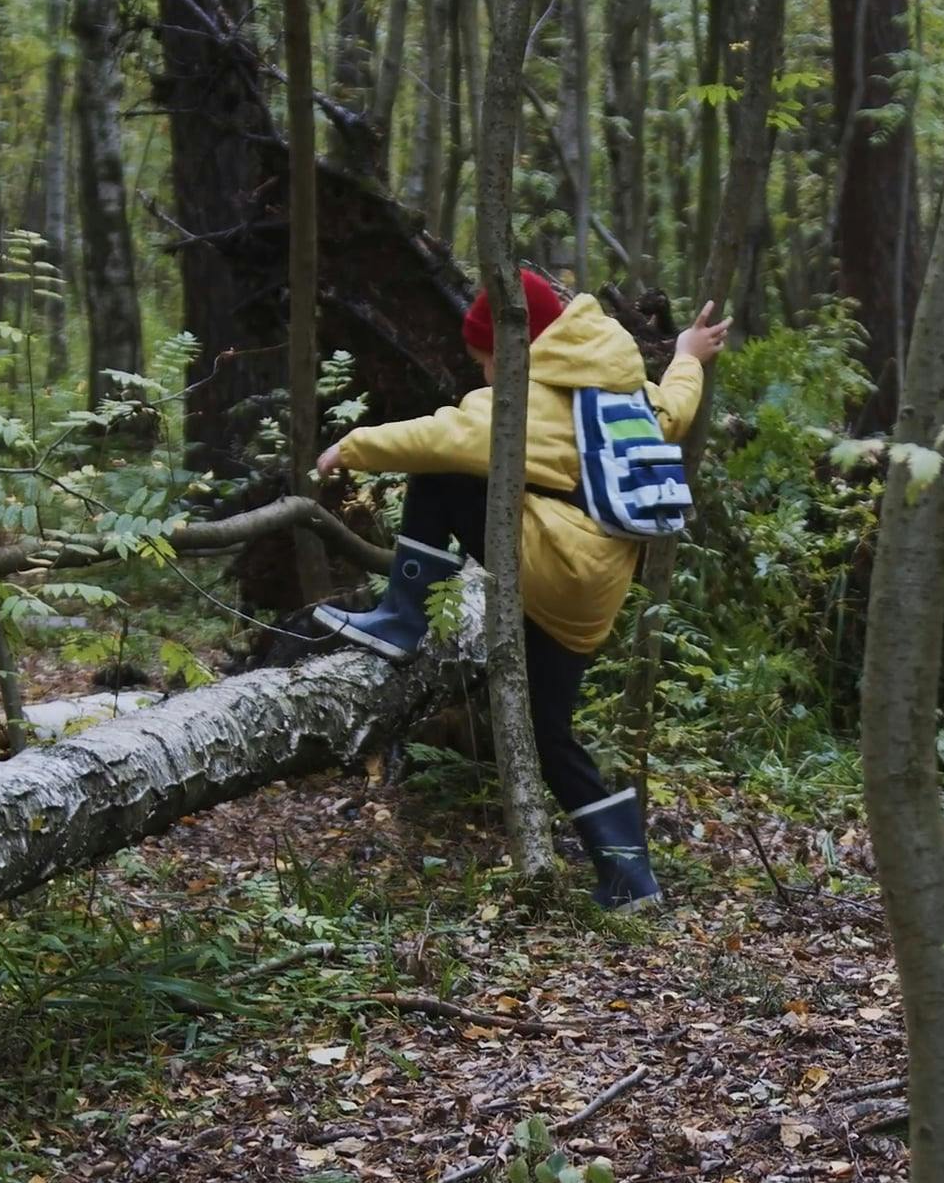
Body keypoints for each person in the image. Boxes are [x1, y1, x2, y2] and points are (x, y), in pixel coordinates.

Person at [312, 270, 731, 909]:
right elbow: (674, 411)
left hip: (557, 566)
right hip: (593, 594)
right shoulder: (621, 388)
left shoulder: (520, 405)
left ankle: (402, 618)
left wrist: (351, 446)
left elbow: (439, 435)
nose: (482, 374)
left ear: (511, 349)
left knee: (439, 477)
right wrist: (685, 358)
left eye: (484, 359)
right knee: (548, 729)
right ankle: (629, 877)